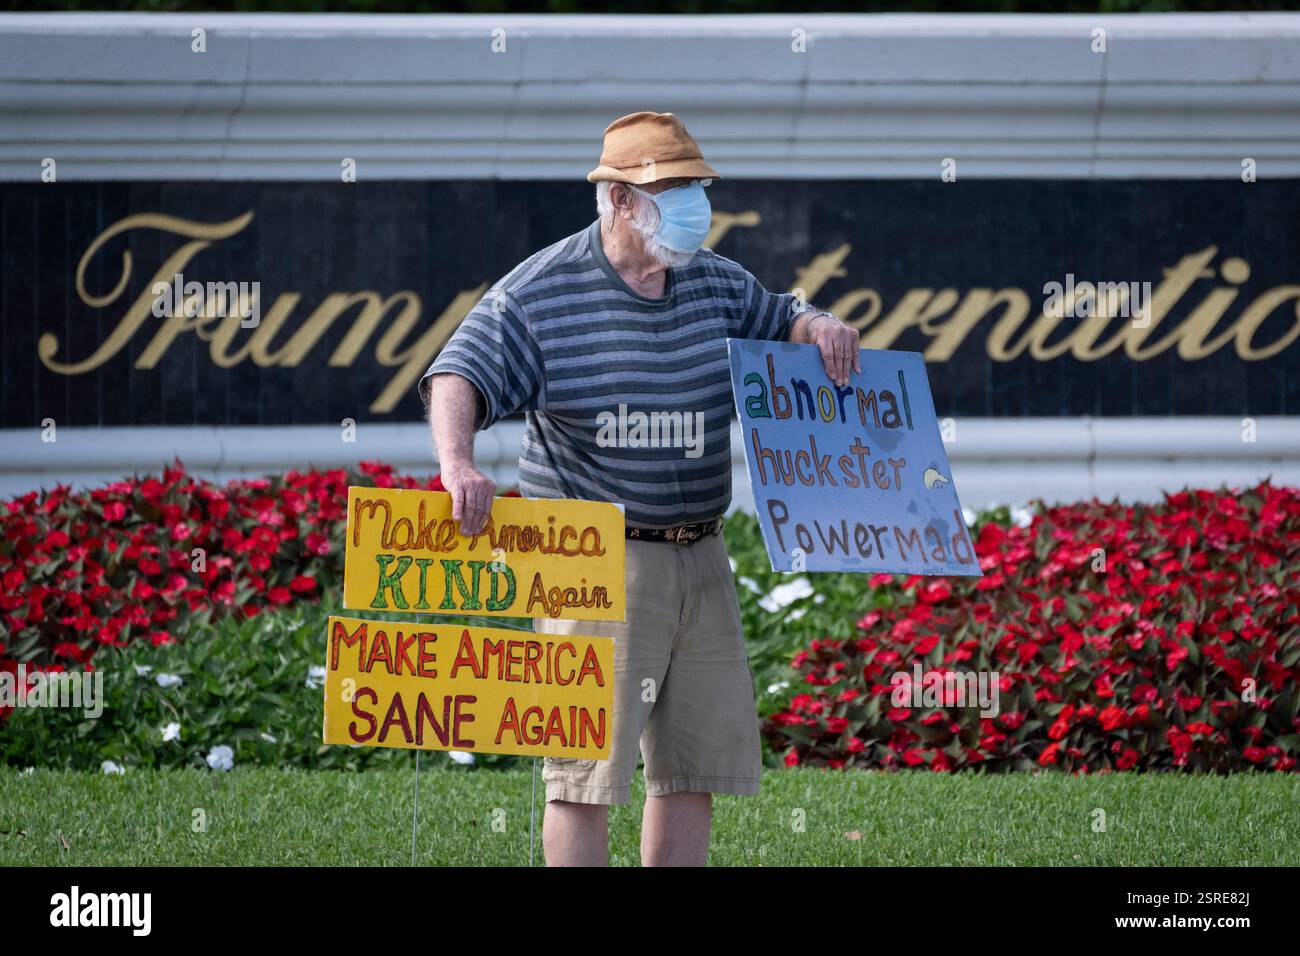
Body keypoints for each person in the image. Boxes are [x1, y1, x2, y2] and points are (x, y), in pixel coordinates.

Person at [420, 111, 858, 866]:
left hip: (701, 553)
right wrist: (457, 463)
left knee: (692, 771)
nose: (694, 203)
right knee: (584, 775)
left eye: (695, 185)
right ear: (620, 199)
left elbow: (781, 317)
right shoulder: (540, 290)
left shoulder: (714, 281)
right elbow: (458, 371)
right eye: (673, 188)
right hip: (590, 561)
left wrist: (817, 323)